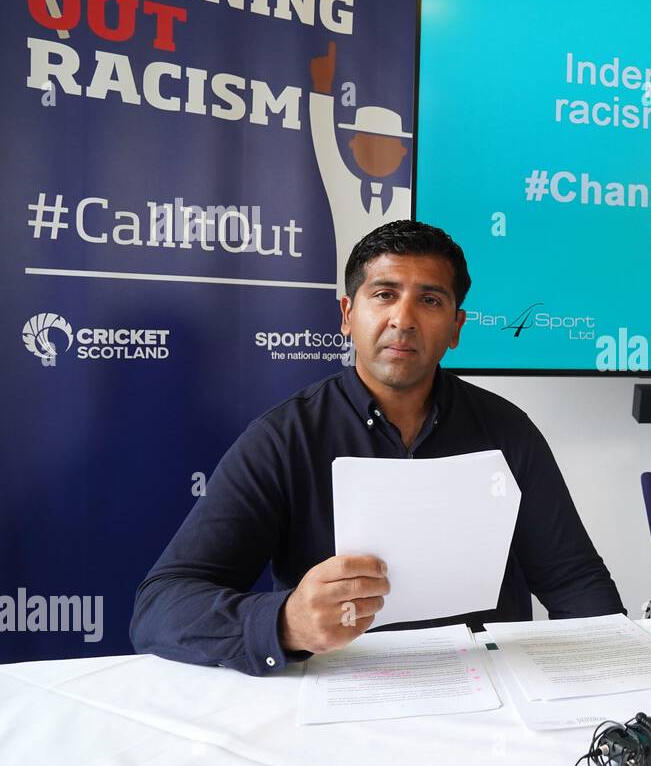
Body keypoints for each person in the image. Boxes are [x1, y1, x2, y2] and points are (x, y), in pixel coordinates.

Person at [131, 220, 624, 676]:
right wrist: (285, 623)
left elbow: (574, 582)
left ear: (456, 327)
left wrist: (616, 682)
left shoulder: (507, 431)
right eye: (384, 294)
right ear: (348, 314)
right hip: (341, 691)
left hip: (493, 692)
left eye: (430, 301)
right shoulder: (284, 439)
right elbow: (161, 608)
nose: (403, 319)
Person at [309, 41, 413, 297]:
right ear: (353, 145)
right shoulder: (344, 186)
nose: (378, 150)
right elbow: (325, 147)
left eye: (388, 144)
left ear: (403, 151)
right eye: (368, 141)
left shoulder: (408, 197)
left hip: (397, 308)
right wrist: (322, 89)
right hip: (345, 303)